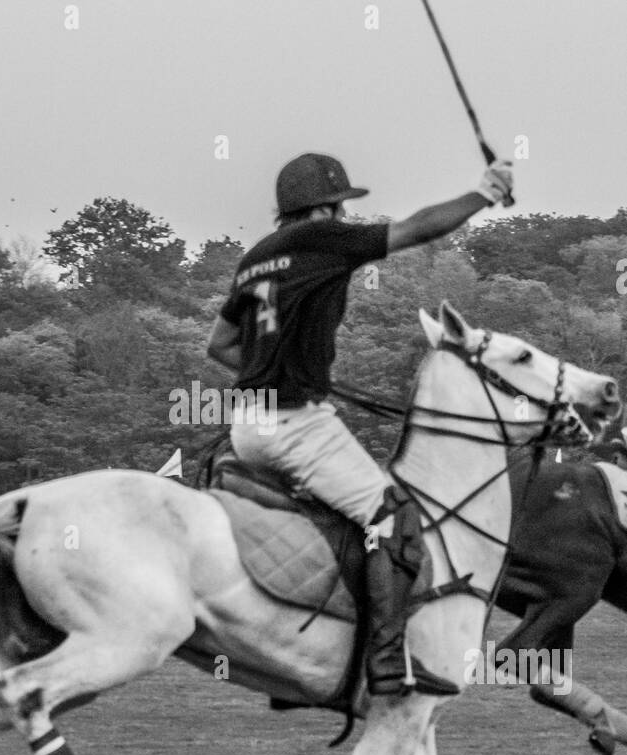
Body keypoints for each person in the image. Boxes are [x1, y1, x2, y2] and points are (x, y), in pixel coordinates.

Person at [207, 151, 514, 699]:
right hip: (294, 425)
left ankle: (297, 652)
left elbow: (220, 345)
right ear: (322, 209)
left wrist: (274, 368)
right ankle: (388, 661)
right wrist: (484, 195)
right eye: (341, 207)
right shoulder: (324, 242)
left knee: (335, 517)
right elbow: (419, 227)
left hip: (247, 427)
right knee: (393, 517)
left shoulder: (254, 259)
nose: (346, 219)